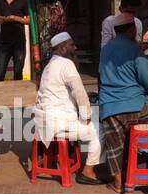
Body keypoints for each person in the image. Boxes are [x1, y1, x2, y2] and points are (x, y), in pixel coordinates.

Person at [32, 32, 104, 185]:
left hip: (46, 121)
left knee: (90, 125)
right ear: (62, 48)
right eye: (72, 45)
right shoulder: (66, 64)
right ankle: (88, 171)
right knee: (100, 131)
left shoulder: (50, 65)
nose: (75, 48)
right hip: (59, 123)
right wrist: (86, 117)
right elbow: (80, 94)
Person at [97, 15, 148, 191]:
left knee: (114, 145)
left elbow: (101, 74)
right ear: (132, 30)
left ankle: (118, 183)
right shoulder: (134, 50)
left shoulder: (105, 49)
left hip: (110, 108)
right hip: (136, 107)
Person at [0, 0, 30, 81]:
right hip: (4, 42)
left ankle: (17, 97)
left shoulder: (23, 1)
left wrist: (15, 18)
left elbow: (29, 21)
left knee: (18, 73)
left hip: (19, 42)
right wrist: (3, 18)